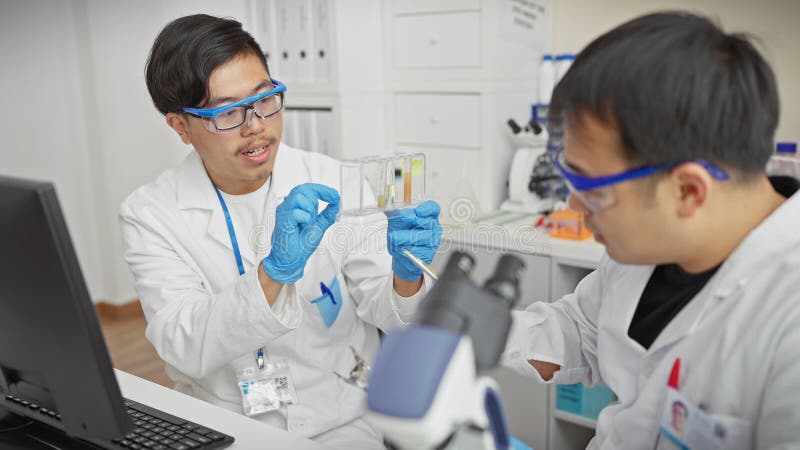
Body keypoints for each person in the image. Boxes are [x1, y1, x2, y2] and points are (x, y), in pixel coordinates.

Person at [120, 14, 441, 449]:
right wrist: (274, 272)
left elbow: (390, 313)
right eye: (228, 111)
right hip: (222, 422)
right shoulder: (152, 213)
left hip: (340, 420)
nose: (256, 125)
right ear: (181, 126)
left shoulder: (332, 179)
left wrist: (407, 275)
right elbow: (183, 345)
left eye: (265, 98)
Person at [501, 11, 800, 449]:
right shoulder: (644, 246)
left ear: (688, 191)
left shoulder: (787, 317)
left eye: (591, 189)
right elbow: (582, 329)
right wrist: (476, 327)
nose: (573, 206)